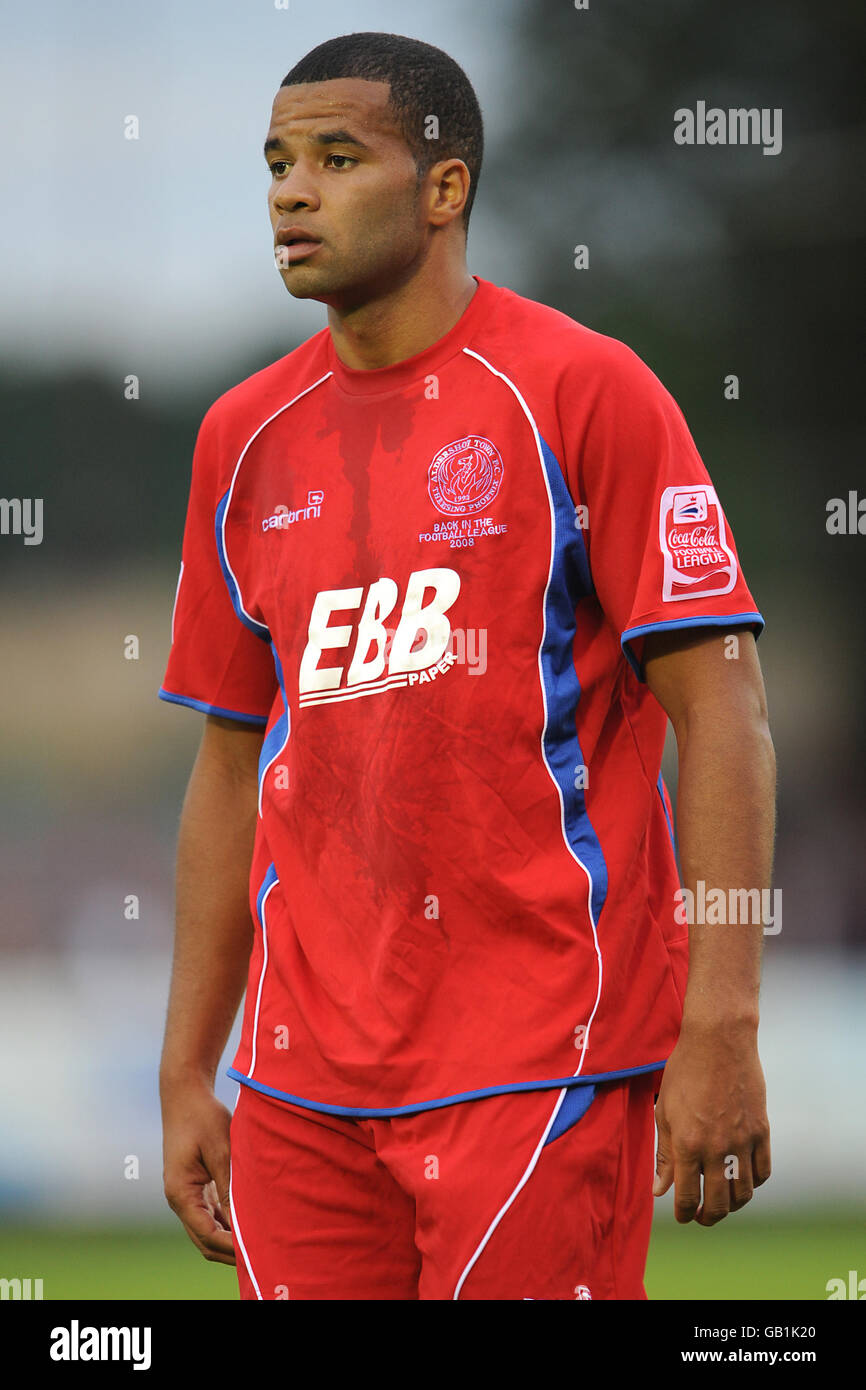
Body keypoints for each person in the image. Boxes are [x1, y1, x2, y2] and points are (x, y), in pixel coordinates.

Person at [158, 31, 775, 1301]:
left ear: (444, 189)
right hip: (298, 1085)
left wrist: (720, 1020)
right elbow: (228, 770)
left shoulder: (583, 392)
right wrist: (187, 1071)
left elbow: (723, 711)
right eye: (277, 161)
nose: (290, 190)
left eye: (336, 157)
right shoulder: (240, 439)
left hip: (541, 1053)